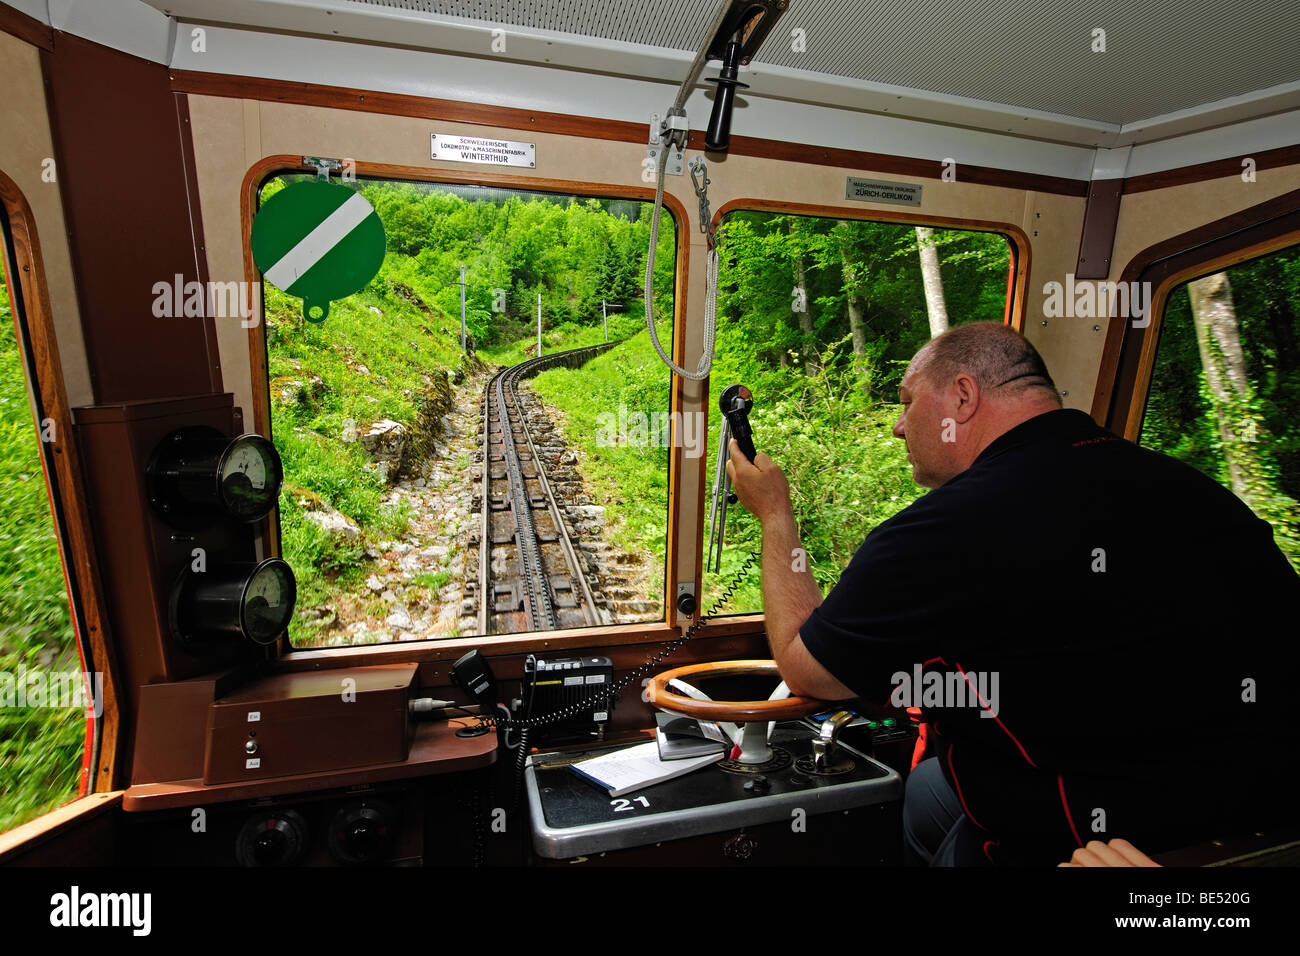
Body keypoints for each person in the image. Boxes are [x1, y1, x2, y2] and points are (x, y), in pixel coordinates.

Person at [726, 322, 1299, 866]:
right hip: (1266, 813)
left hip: (1100, 839)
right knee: (928, 788)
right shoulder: (1199, 491)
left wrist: (776, 515)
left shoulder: (943, 528)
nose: (898, 426)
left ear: (963, 396)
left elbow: (809, 670)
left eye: (906, 401)